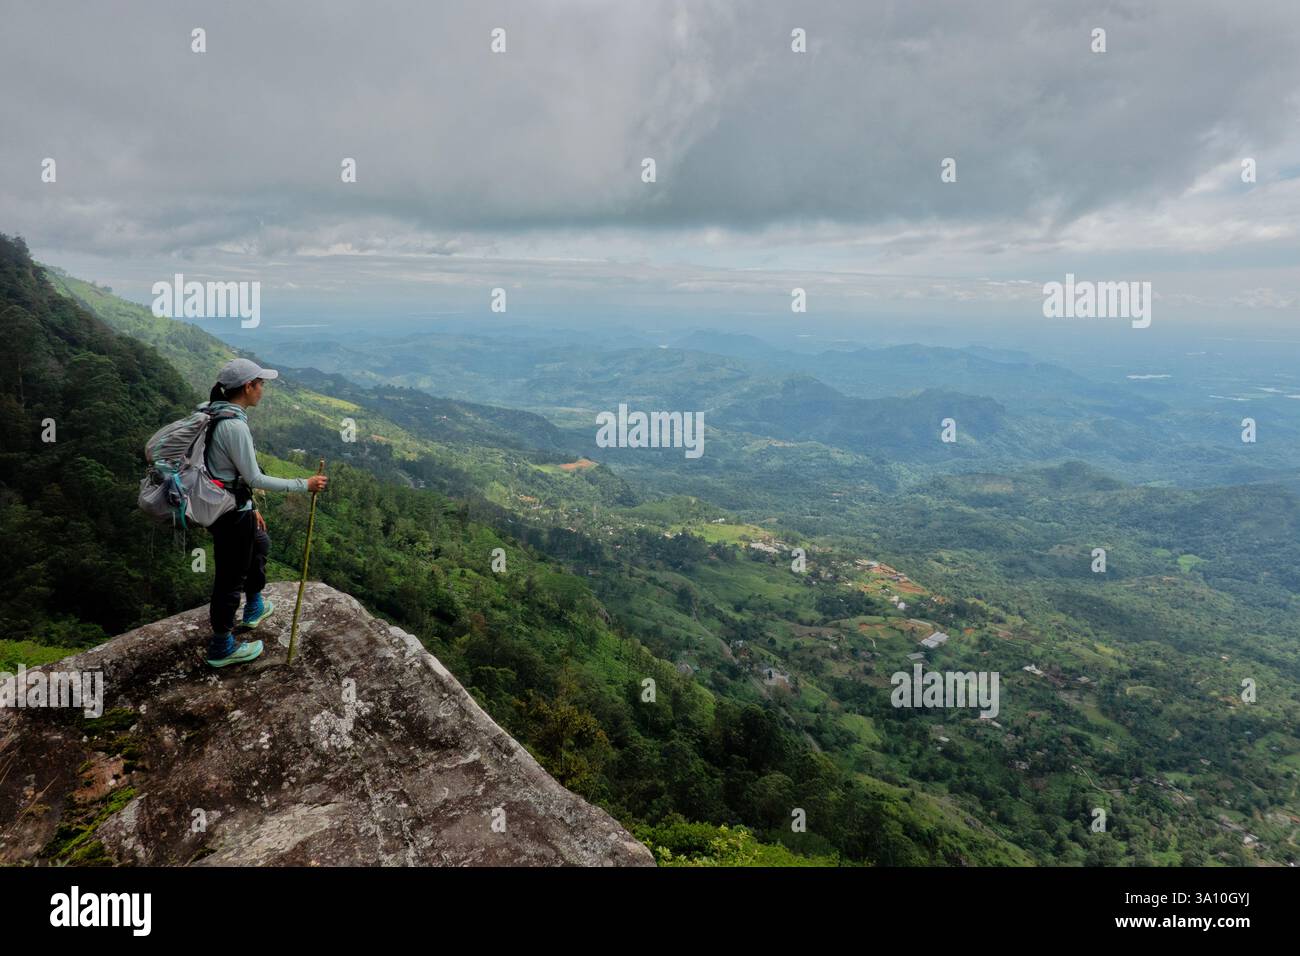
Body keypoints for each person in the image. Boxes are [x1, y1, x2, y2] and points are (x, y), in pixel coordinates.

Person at [202, 358, 328, 667]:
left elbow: (233, 473)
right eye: (261, 384)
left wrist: (252, 506)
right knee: (230, 579)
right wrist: (305, 484)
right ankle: (221, 646)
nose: (263, 390)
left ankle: (255, 607)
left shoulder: (219, 412)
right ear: (247, 387)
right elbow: (255, 478)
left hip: (234, 506)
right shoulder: (233, 425)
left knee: (260, 544)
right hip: (229, 514)